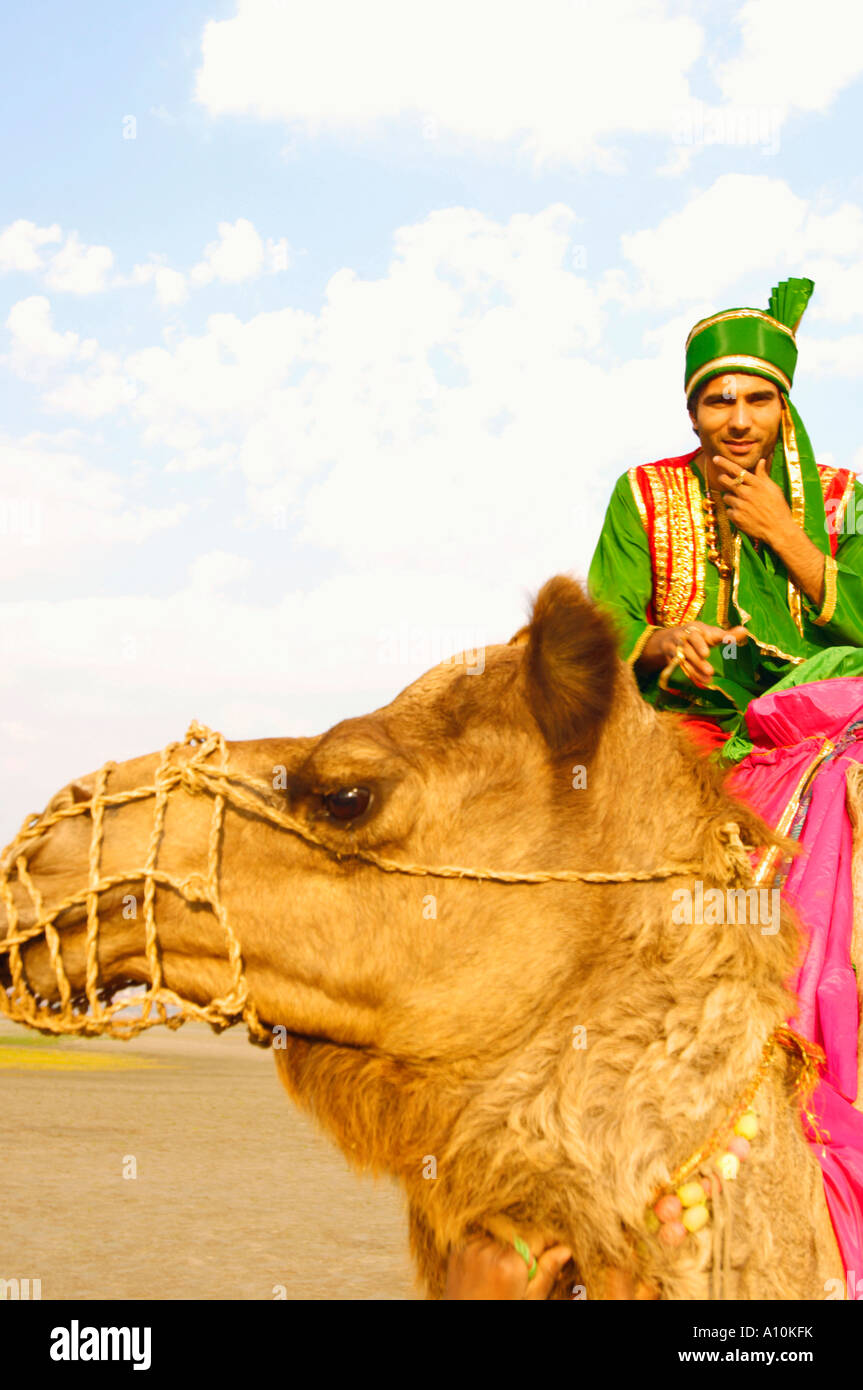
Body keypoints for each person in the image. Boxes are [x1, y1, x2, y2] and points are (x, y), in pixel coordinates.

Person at [588, 276, 863, 1287]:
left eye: (756, 399)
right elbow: (599, 623)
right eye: (716, 400)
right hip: (691, 737)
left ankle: (821, 1038)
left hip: (827, 719)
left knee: (842, 771)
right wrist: (660, 642)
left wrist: (785, 537)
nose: (736, 421)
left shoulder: (838, 496)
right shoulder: (643, 497)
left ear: (784, 403)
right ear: (689, 408)